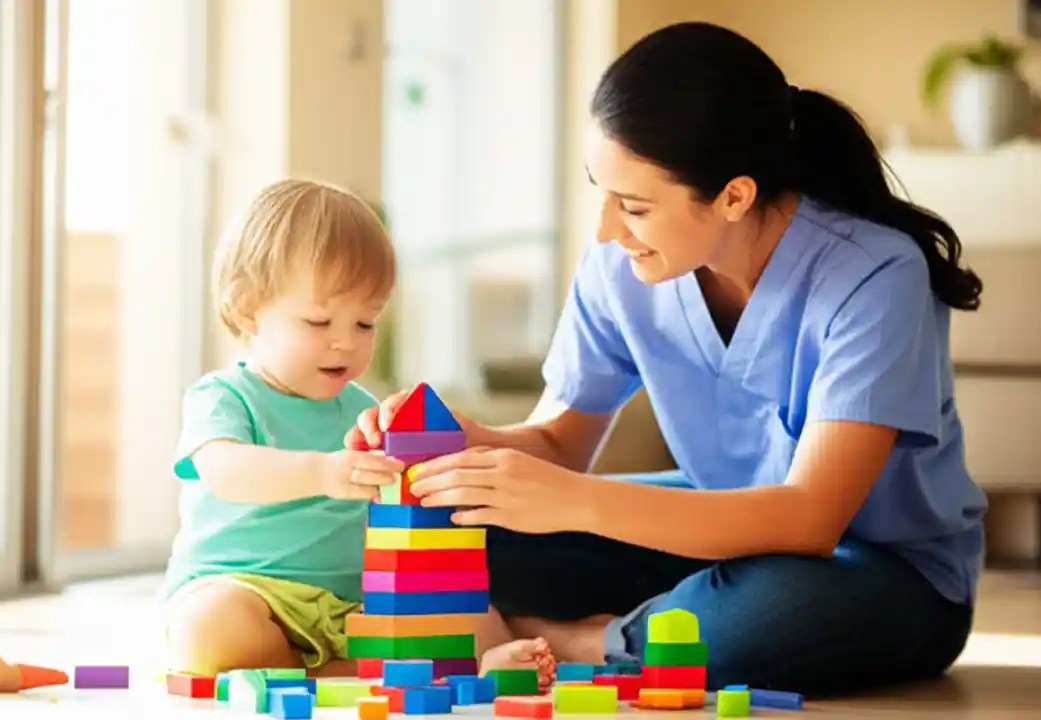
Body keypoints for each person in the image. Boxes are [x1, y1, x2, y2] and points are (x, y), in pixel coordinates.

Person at [351, 22, 987, 697]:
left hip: (877, 572)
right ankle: (634, 626)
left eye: (634, 206)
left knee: (750, 620)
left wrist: (578, 503)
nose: (604, 229)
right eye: (603, 192)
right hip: (709, 532)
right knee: (459, 523)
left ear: (734, 196)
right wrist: (466, 446)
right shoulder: (619, 266)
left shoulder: (875, 275)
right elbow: (559, 445)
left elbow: (809, 519)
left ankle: (577, 641)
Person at [162, 178, 551, 680]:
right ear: (246, 310)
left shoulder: (366, 411)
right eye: (319, 323)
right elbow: (225, 470)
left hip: (355, 603)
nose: (345, 343)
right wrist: (324, 473)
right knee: (209, 632)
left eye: (365, 324)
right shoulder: (225, 397)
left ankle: (467, 661)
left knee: (474, 611)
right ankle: (348, 671)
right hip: (248, 592)